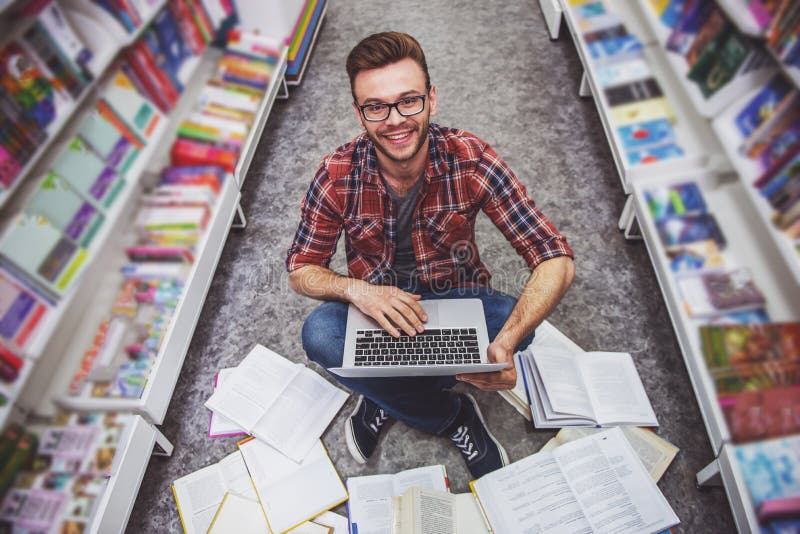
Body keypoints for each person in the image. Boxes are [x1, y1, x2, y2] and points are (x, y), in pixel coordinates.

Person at [286, 31, 574, 478]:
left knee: (519, 327)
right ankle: (448, 414)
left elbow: (554, 256)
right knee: (320, 334)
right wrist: (359, 291)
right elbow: (301, 269)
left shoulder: (471, 158)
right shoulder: (336, 173)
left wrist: (508, 340)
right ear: (359, 114)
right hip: (378, 306)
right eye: (376, 107)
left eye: (409, 101)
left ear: (431, 99)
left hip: (455, 294)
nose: (395, 120)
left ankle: (385, 393)